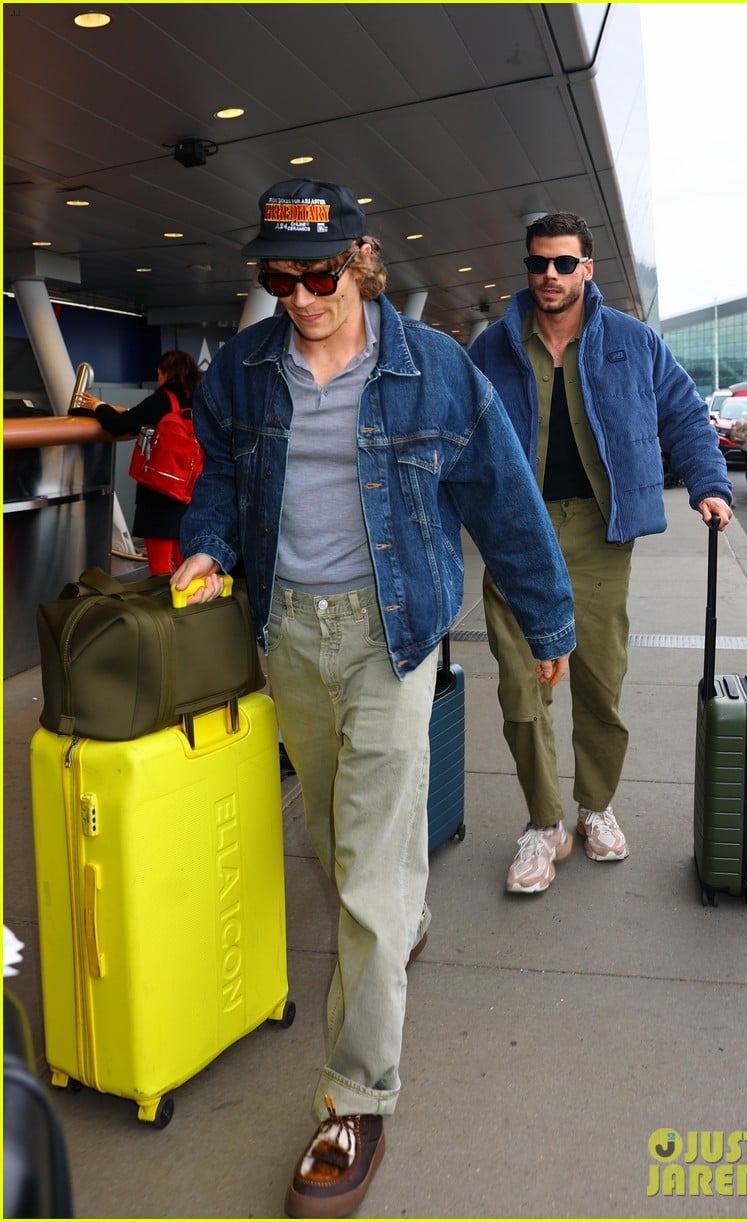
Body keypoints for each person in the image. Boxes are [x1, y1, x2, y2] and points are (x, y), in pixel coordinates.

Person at [171, 178, 576, 1218]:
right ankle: (405, 909)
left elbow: (503, 501)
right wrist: (209, 546)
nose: (298, 297)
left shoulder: (432, 369)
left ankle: (355, 1100)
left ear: (357, 261)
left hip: (391, 635)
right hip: (287, 637)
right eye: (277, 277)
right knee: (347, 847)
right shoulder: (245, 370)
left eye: (316, 275)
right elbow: (217, 472)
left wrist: (548, 622)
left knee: (365, 875)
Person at [468, 210, 733, 895]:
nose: (548, 276)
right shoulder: (492, 346)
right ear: (525, 267)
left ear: (588, 268)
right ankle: (544, 822)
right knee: (520, 686)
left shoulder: (631, 342)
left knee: (597, 677)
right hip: (514, 532)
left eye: (562, 263)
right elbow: (455, 431)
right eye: (537, 263)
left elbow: (681, 413)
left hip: (597, 530)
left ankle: (594, 805)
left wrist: (707, 484)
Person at [73, 349, 202, 574]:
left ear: (166, 373)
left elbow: (122, 425)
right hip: (190, 488)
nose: (158, 379)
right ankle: (193, 607)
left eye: (159, 374)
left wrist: (97, 406)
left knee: (161, 566)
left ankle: (164, 605)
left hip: (160, 491)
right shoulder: (198, 399)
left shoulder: (164, 398)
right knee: (187, 562)